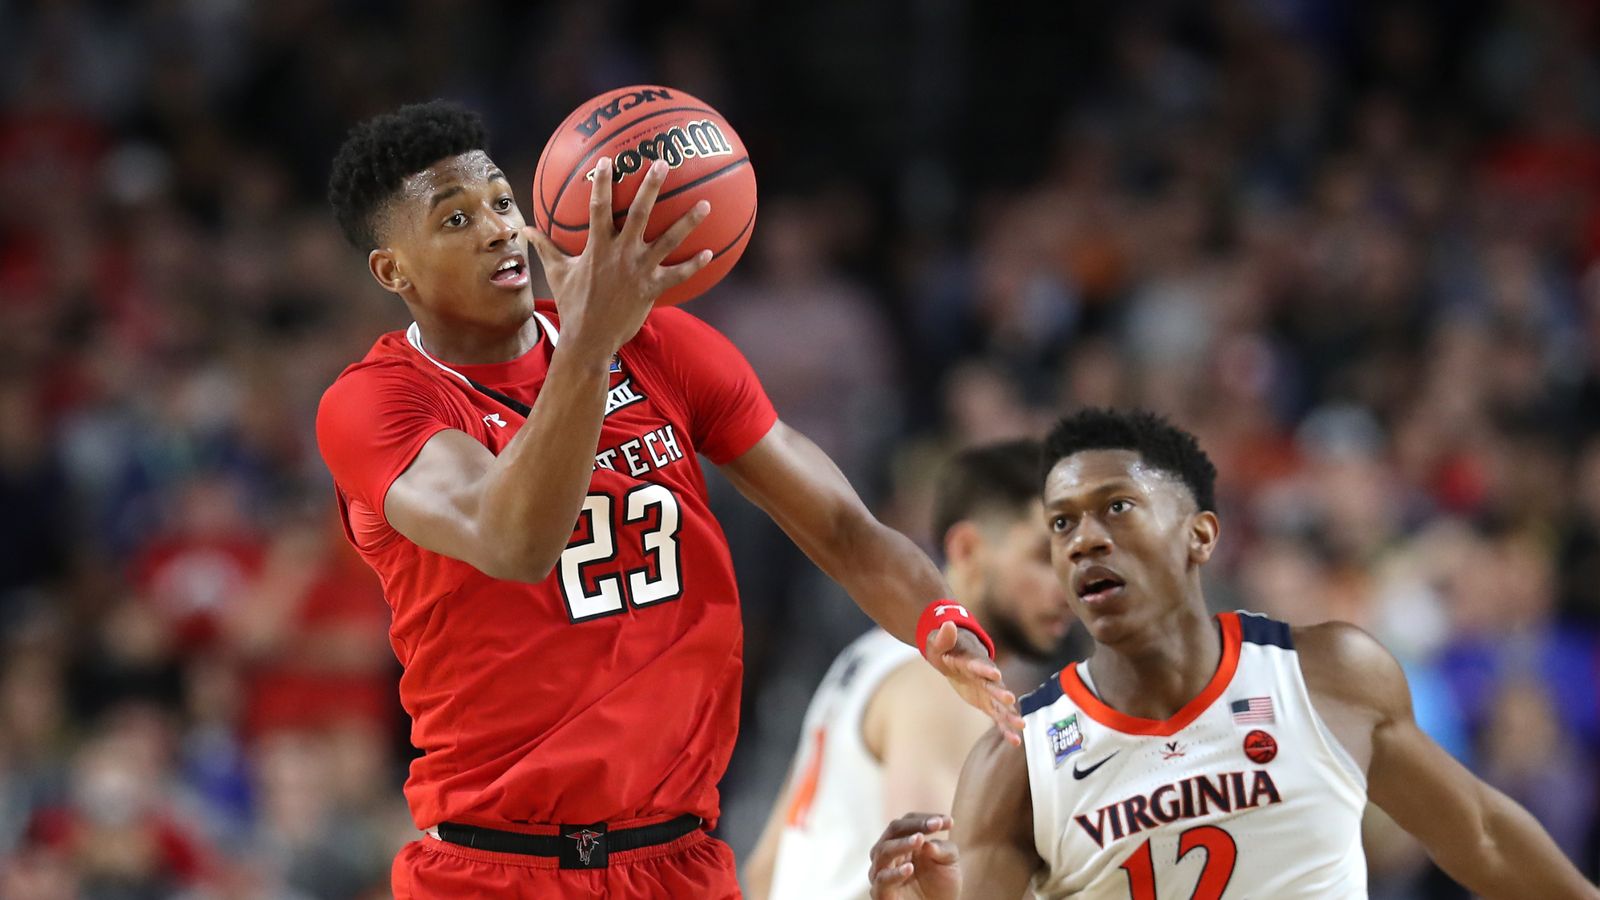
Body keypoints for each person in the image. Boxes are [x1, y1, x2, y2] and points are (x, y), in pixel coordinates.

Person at [313, 100, 1021, 899]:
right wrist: (588, 345)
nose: (499, 229)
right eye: (454, 218)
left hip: (679, 858)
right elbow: (512, 540)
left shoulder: (661, 348)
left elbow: (843, 527)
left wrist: (939, 621)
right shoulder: (377, 404)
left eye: (503, 203)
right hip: (494, 868)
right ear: (392, 271)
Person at [866, 408, 1600, 899]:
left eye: (1117, 508)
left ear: (1202, 536)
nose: (1085, 538)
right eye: (1061, 524)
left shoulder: (1328, 674)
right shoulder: (1016, 760)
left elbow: (1480, 837)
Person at [744, 440, 1076, 899]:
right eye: (1045, 556)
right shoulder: (940, 689)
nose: (1067, 586)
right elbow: (933, 885)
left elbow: (764, 871)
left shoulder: (868, 655)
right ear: (968, 548)